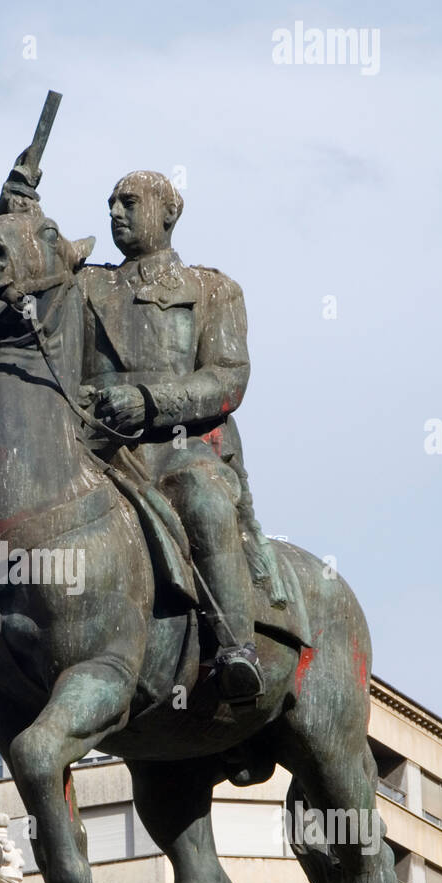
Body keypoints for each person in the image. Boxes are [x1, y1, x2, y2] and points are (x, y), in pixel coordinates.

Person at [79, 170, 269, 702]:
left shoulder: (212, 290)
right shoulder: (86, 285)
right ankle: (3, 677)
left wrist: (149, 402)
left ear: (168, 213)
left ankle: (235, 649)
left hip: (179, 449)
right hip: (98, 450)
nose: (115, 212)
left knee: (205, 502)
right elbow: (29, 265)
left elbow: (229, 377)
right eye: (111, 203)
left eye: (129, 202)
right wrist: (16, 204)